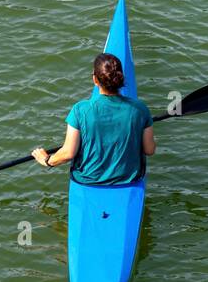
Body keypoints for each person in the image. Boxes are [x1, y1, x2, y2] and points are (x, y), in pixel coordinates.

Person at [31, 52, 155, 185]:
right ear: (121, 78)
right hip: (128, 180)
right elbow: (149, 150)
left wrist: (47, 160)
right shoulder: (140, 109)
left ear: (95, 80)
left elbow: (68, 153)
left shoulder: (80, 110)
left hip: (87, 181)